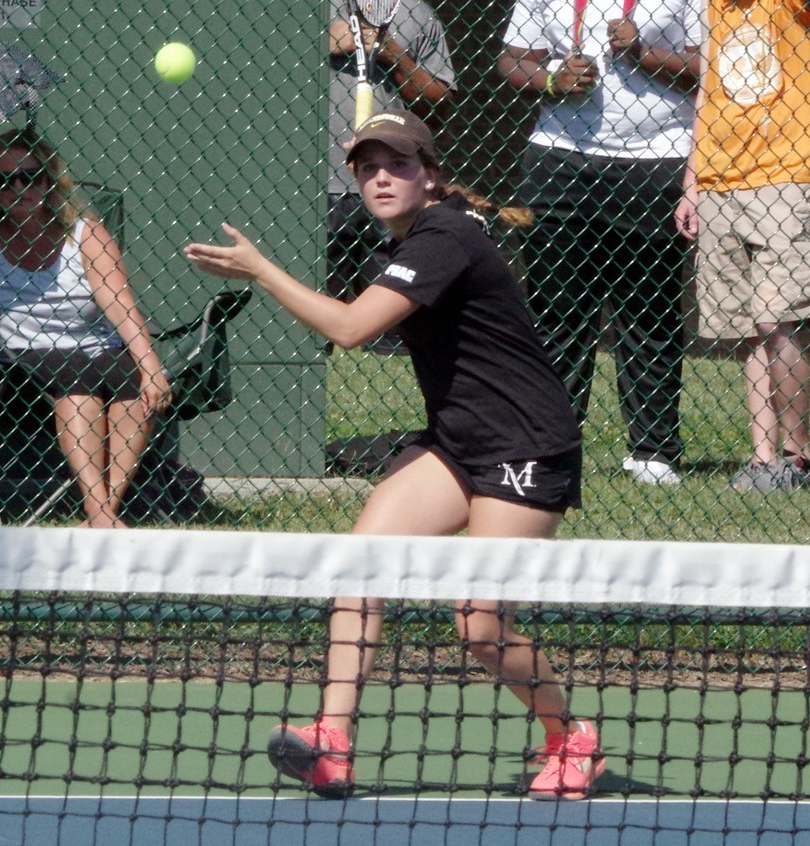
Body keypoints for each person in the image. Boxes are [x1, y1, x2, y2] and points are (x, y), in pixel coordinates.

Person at [184, 110, 605, 801]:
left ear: (429, 174)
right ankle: (331, 740)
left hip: (524, 445)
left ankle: (570, 737)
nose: (382, 177)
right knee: (360, 564)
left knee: (479, 623)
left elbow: (351, 328)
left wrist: (262, 270)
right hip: (457, 441)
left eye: (400, 164)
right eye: (368, 167)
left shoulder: (448, 238)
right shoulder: (412, 238)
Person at [497, 0, 700, 486]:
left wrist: (643, 52)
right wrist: (551, 79)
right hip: (559, 155)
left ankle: (653, 450)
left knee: (647, 309)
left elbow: (708, 69)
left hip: (658, 157)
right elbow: (512, 60)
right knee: (556, 309)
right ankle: (549, 445)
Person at [0, 128, 170, 528]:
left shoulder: (86, 234)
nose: (18, 188)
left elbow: (120, 304)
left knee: (133, 380)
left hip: (96, 344)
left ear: (49, 181)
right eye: (3, 180)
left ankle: (105, 508)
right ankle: (97, 509)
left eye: (29, 176)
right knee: (75, 375)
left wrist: (150, 364)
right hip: (19, 353)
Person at [675, 0, 810, 492]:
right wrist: (693, 182)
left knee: (776, 319)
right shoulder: (713, 8)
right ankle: (762, 459)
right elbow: (707, 91)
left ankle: (797, 457)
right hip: (720, 179)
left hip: (786, 174)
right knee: (747, 328)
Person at [327, 0, 454, 334]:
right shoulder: (308, 11)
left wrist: (395, 55)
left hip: (390, 188)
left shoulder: (419, 13)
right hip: (315, 184)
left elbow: (438, 101)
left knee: (393, 324)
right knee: (314, 315)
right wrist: (320, 45)